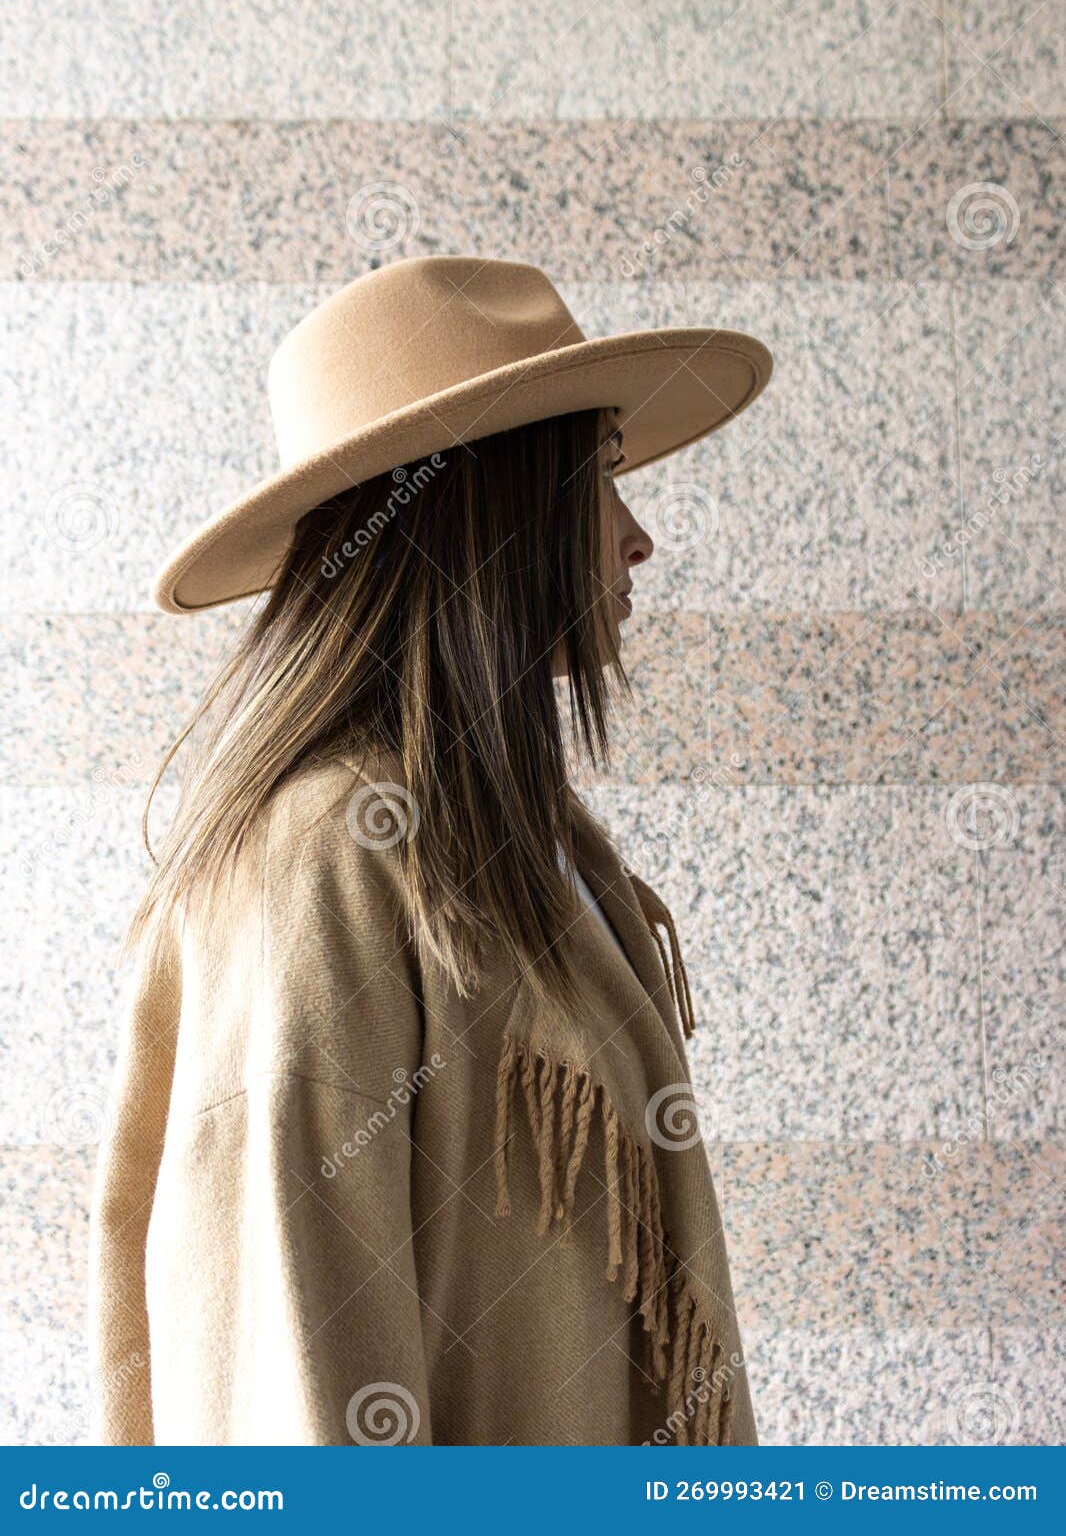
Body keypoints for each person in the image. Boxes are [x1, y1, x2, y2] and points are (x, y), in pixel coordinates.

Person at [87, 254, 773, 1446]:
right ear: (490, 503)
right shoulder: (318, 867)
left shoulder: (531, 854)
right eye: (599, 474)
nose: (636, 537)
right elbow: (298, 1385)